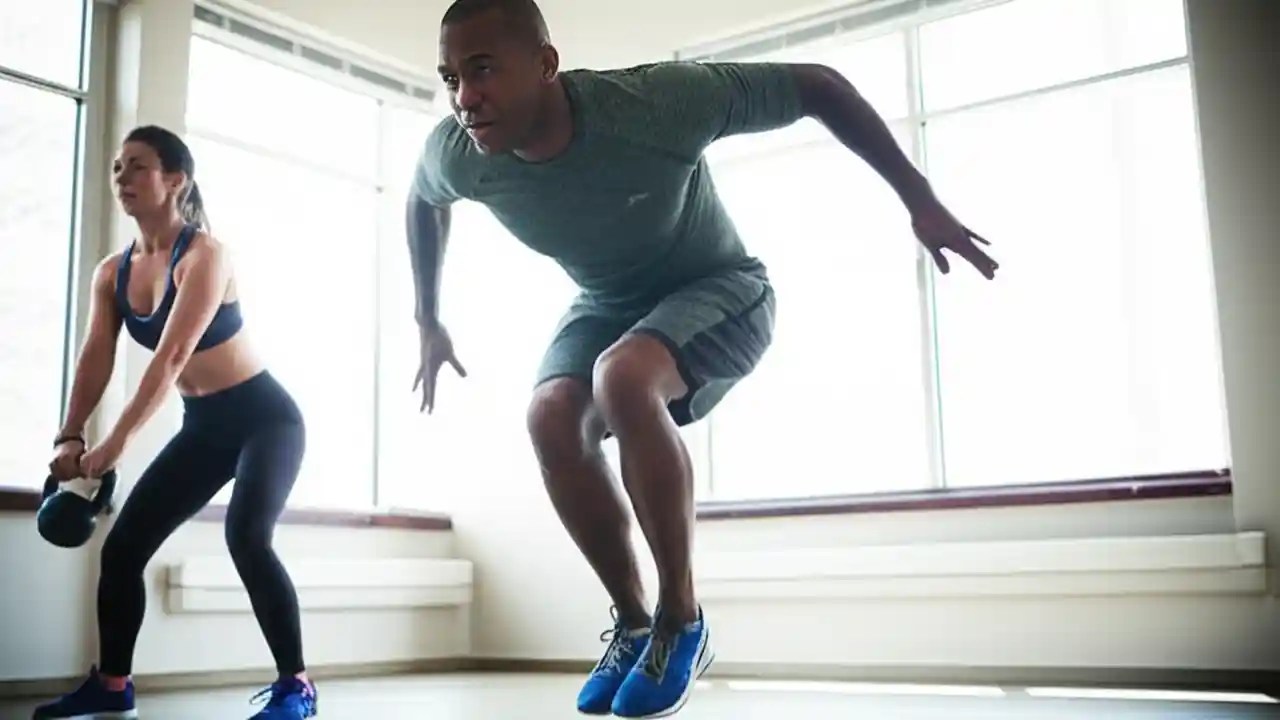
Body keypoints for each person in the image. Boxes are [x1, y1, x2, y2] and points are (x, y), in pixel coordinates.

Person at [408, 0, 999, 716]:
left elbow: (819, 86)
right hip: (608, 302)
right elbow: (422, 199)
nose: (465, 99)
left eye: (482, 70)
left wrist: (920, 199)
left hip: (724, 289)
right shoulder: (459, 153)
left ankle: (680, 620)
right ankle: (632, 625)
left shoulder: (654, 104)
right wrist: (429, 316)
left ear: (546, 63)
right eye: (449, 78)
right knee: (550, 415)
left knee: (623, 377)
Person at [34, 126, 318, 720]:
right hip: (206, 425)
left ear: (175, 180)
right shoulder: (112, 272)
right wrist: (71, 433)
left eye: (137, 166)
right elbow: (96, 356)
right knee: (123, 549)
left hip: (265, 418)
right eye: (117, 168)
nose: (122, 178)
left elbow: (172, 356)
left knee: (246, 537)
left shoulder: (205, 255)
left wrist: (114, 445)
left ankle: (296, 687)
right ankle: (113, 688)